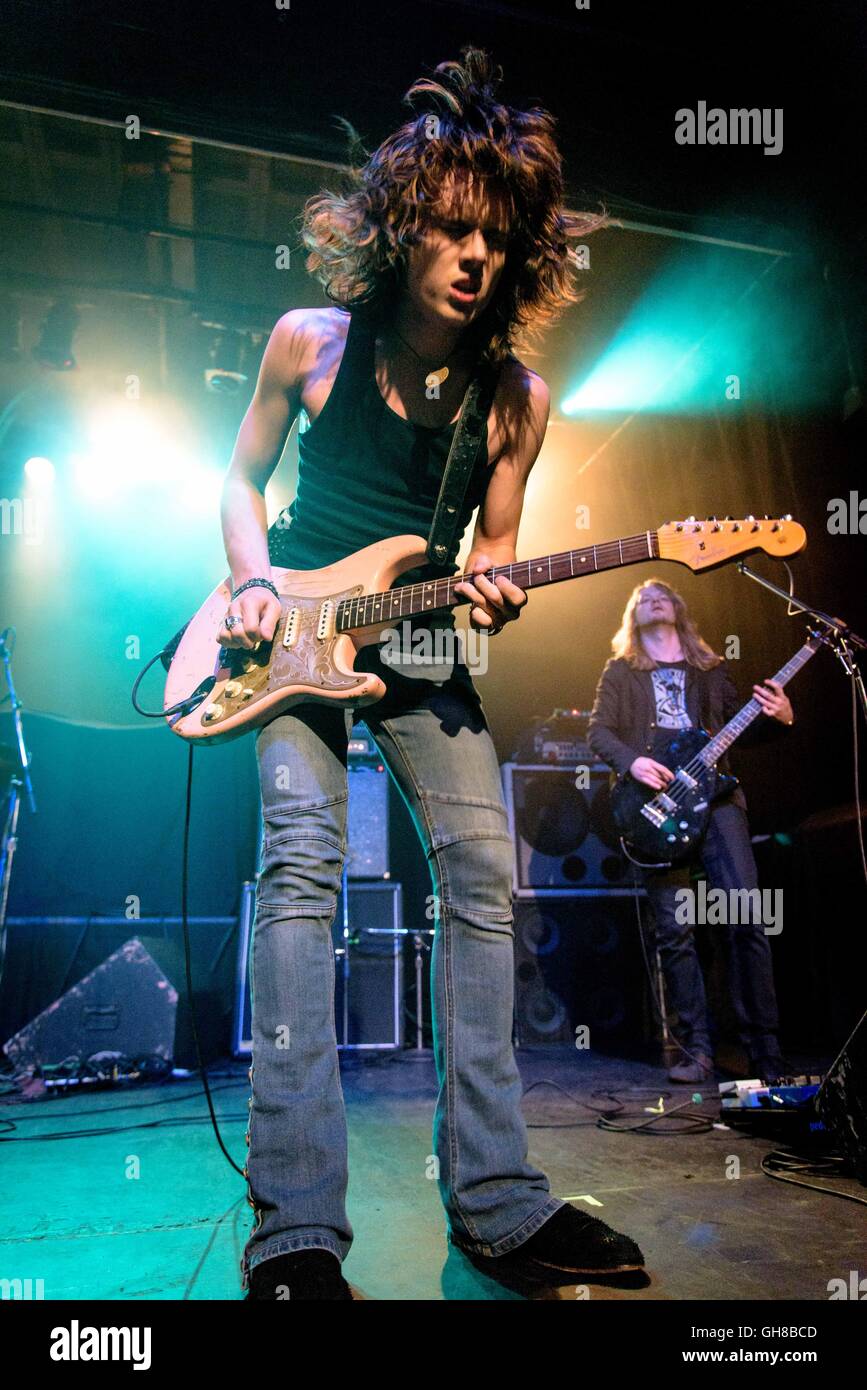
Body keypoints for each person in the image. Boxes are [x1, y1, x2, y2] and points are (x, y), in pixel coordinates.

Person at [219, 48, 644, 1299]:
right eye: (450, 230)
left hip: (425, 646)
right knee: (301, 865)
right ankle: (296, 1226)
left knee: (484, 876)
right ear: (401, 229)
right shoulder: (311, 340)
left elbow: (492, 563)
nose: (472, 256)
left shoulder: (518, 401)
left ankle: (499, 1202)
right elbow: (241, 482)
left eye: (494, 237)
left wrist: (499, 592)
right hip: (294, 636)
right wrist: (251, 583)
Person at [588, 579, 794, 1085]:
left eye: (662, 594)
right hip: (655, 807)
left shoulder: (711, 669)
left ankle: (764, 1053)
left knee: (746, 919)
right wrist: (633, 761)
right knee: (675, 933)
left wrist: (782, 717)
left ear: (678, 610)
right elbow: (598, 732)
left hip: (717, 802)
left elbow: (744, 727)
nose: (652, 597)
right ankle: (697, 1050)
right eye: (641, 597)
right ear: (633, 619)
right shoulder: (620, 672)